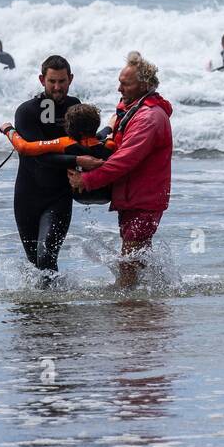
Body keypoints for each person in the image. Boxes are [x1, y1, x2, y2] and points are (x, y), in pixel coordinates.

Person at [69, 52, 173, 287]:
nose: (119, 89)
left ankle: (126, 311)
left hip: (144, 200)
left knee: (128, 262)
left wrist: (87, 180)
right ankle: (150, 304)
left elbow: (125, 159)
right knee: (137, 258)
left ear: (144, 85)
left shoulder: (149, 118)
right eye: (119, 82)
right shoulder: (133, 109)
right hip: (132, 197)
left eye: (125, 84)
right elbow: (115, 125)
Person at [6, 55, 82, 282]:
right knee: (34, 264)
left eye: (62, 81)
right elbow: (41, 158)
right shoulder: (27, 111)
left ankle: (52, 311)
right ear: (42, 80)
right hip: (27, 197)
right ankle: (44, 312)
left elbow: (86, 144)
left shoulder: (75, 108)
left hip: (58, 196)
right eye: (52, 81)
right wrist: (77, 160)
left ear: (70, 79)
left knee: (47, 256)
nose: (57, 87)